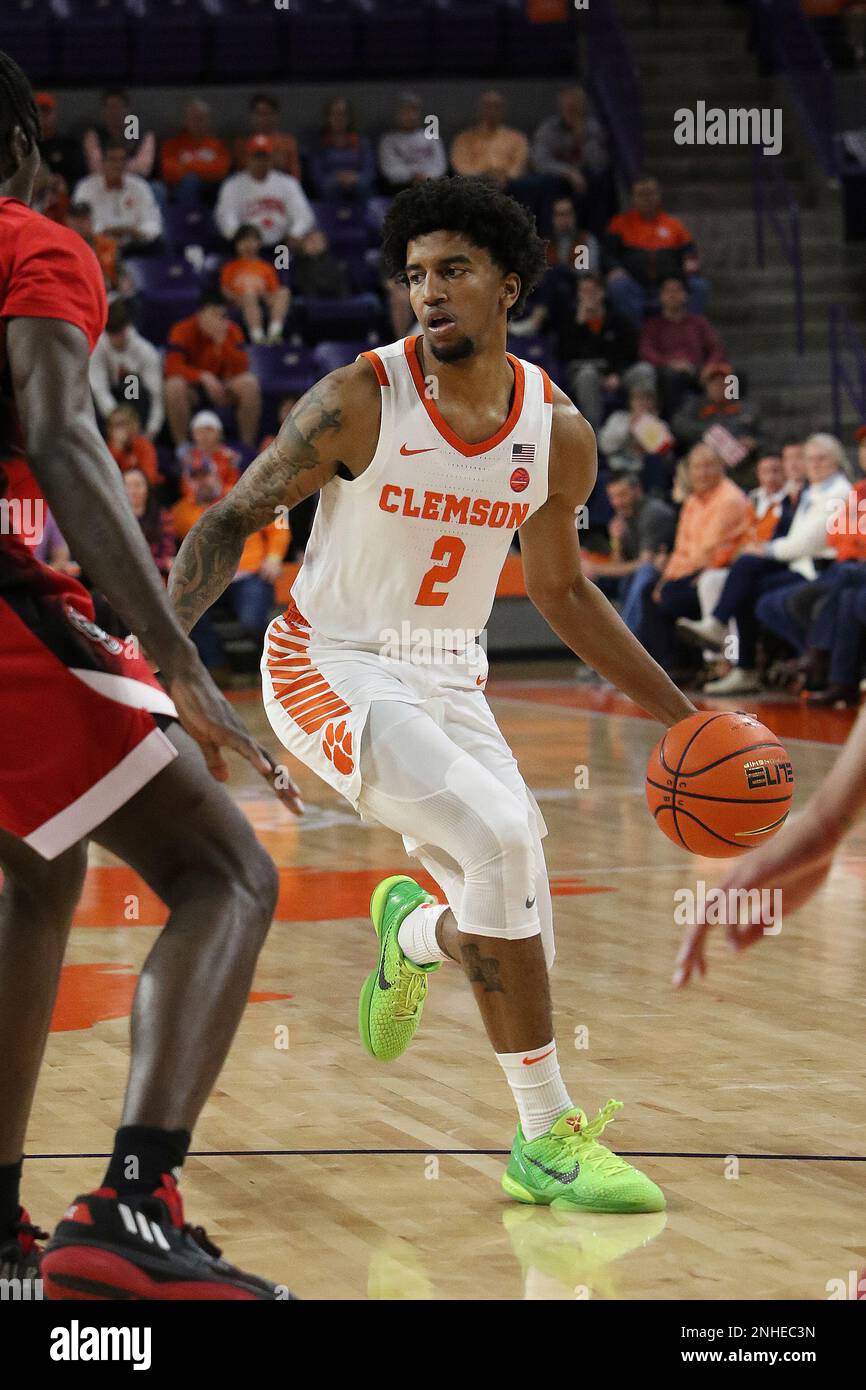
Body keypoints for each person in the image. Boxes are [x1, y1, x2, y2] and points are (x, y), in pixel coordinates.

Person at [168, 174, 702, 1215]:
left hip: (451, 676)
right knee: (503, 838)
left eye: (452, 269)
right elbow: (231, 520)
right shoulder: (357, 398)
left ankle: (413, 931)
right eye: (414, 274)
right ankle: (543, 1138)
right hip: (328, 661)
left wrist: (686, 717)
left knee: (515, 902)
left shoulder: (555, 430)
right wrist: (162, 667)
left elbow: (558, 589)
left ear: (508, 283)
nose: (428, 291)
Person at [0, 49, 302, 1299]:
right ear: (26, 145)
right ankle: (134, 1201)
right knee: (224, 870)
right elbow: (65, 434)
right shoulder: (35, 240)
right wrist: (176, 661)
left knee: (36, 876)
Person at [680, 433, 853, 695]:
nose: (815, 464)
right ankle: (743, 666)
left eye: (822, 459)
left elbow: (811, 541)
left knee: (749, 566)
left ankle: (723, 631)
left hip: (819, 567)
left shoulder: (839, 492)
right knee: (745, 579)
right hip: (798, 563)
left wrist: (767, 549)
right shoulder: (811, 490)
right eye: (810, 459)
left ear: (837, 461)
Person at [173, 411, 288, 678]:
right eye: (195, 476)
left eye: (206, 475)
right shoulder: (180, 512)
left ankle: (273, 666)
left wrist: (274, 556)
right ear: (187, 481)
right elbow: (170, 545)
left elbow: (279, 523)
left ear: (218, 474)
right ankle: (218, 671)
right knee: (185, 617)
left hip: (250, 573)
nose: (202, 481)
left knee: (251, 620)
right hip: (209, 579)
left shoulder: (242, 498)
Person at [634, 444, 753, 672]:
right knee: (651, 591)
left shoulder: (729, 499)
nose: (702, 473)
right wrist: (666, 579)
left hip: (718, 569)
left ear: (721, 468)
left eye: (709, 466)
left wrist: (672, 579)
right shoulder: (693, 501)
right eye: (697, 467)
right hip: (692, 570)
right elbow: (681, 548)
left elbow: (706, 553)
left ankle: (686, 665)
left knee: (670, 597)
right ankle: (668, 666)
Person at [164, 291, 261, 448]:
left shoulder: (231, 330)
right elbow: (172, 367)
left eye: (221, 315)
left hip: (223, 386)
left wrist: (221, 344)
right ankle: (182, 449)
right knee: (173, 385)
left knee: (249, 383)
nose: (218, 320)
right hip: (193, 388)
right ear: (200, 315)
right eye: (213, 314)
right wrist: (202, 376)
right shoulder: (181, 329)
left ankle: (247, 447)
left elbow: (242, 368)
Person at [604, 176, 705, 324]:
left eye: (651, 193)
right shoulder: (619, 224)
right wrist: (615, 268)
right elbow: (607, 254)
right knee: (618, 286)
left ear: (658, 196)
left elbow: (690, 251)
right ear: (633, 198)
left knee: (698, 285)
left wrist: (689, 269)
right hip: (634, 283)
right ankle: (637, 338)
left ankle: (689, 332)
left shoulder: (673, 224)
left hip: (669, 284)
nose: (647, 198)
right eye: (641, 194)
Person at [638, 276, 727, 417]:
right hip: (668, 371)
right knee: (673, 378)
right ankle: (677, 425)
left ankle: (734, 422)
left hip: (698, 370)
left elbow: (716, 347)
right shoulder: (653, 325)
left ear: (686, 296)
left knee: (735, 378)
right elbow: (646, 351)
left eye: (677, 291)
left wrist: (710, 366)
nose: (673, 295)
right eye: (668, 291)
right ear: (661, 297)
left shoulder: (698, 322)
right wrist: (669, 363)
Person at [215, 135, 315, 251]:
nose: (261, 161)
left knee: (285, 265)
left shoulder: (288, 183)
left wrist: (295, 233)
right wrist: (239, 237)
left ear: (272, 158)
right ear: (247, 157)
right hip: (248, 248)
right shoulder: (232, 185)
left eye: (265, 157)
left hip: (282, 246)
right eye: (256, 156)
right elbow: (226, 218)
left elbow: (304, 215)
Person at [90, 299, 165, 439]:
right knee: (87, 389)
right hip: (108, 407)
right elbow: (99, 389)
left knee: (131, 381)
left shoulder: (145, 352)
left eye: (119, 333)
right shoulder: (98, 348)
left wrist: (151, 431)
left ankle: (134, 436)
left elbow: (156, 396)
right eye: (112, 334)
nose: (116, 339)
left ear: (127, 327)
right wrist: (117, 418)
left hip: (133, 402)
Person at [73, 144, 163, 255]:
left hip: (134, 244)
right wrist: (106, 231)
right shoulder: (86, 187)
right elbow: (80, 223)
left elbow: (153, 222)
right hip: (99, 245)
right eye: (112, 160)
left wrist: (136, 231)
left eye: (122, 160)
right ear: (103, 162)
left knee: (159, 245)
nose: (117, 165)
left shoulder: (139, 185)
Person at [220, 224, 291, 344]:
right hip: (241, 300)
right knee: (249, 296)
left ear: (259, 243)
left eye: (252, 240)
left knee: (284, 292)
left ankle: (275, 333)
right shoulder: (230, 267)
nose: (248, 245)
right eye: (244, 241)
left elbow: (274, 290)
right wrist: (237, 298)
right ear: (237, 244)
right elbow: (225, 289)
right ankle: (257, 337)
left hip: (263, 297)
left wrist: (264, 295)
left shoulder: (266, 267)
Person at [450, 91, 530, 187]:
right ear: (479, 109)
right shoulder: (463, 139)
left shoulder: (518, 138)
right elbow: (461, 166)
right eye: (487, 106)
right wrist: (484, 176)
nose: (492, 110)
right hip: (475, 185)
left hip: (510, 184)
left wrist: (503, 176)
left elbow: (519, 166)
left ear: (503, 109)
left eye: (496, 106)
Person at [160, 99, 231, 206]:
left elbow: (222, 171)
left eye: (201, 118)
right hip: (182, 193)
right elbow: (168, 172)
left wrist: (186, 166)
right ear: (186, 120)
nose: (197, 122)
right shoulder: (172, 145)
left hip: (212, 193)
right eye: (193, 118)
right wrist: (205, 168)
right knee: (190, 182)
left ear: (208, 120)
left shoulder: (218, 145)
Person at [308, 96, 376, 201]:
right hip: (329, 184)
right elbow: (317, 175)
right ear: (328, 117)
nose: (339, 118)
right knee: (330, 186)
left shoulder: (361, 141)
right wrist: (338, 178)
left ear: (349, 117)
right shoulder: (319, 143)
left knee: (362, 185)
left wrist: (354, 177)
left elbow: (369, 171)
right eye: (335, 113)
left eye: (343, 114)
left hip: (357, 182)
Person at [378, 91, 447, 193]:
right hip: (400, 189)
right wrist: (411, 176)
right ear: (396, 113)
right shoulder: (388, 140)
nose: (410, 115)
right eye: (405, 111)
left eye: (413, 110)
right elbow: (389, 169)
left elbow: (440, 166)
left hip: (431, 187)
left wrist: (425, 176)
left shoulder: (432, 136)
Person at [82, 89, 156, 178]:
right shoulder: (93, 135)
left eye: (119, 107)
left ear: (128, 109)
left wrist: (113, 166)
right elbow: (95, 168)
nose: (114, 112)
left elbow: (143, 169)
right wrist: (123, 167)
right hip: (103, 182)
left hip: (136, 182)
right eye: (110, 107)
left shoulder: (144, 134)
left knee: (157, 188)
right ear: (103, 111)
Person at [231, 93, 301, 180]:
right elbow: (239, 173)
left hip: (280, 189)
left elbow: (295, 175)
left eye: (266, 113)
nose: (262, 118)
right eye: (258, 113)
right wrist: (269, 162)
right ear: (251, 116)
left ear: (275, 116)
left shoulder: (287, 142)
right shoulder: (241, 143)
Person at [123, 467, 176, 580]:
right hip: (125, 580)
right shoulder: (116, 520)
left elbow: (168, 558)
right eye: (127, 486)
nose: (132, 491)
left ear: (147, 488)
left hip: (156, 580)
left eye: (137, 485)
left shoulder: (164, 518)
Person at [36, 91, 84, 190]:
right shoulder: (27, 146)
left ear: (54, 113)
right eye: (39, 111)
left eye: (46, 110)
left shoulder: (69, 145)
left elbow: (81, 178)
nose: (43, 115)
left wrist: (62, 183)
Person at [106, 404, 162, 486]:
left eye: (121, 425)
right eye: (112, 425)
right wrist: (117, 448)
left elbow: (149, 477)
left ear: (133, 425)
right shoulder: (108, 448)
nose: (117, 430)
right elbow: (106, 477)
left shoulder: (143, 445)